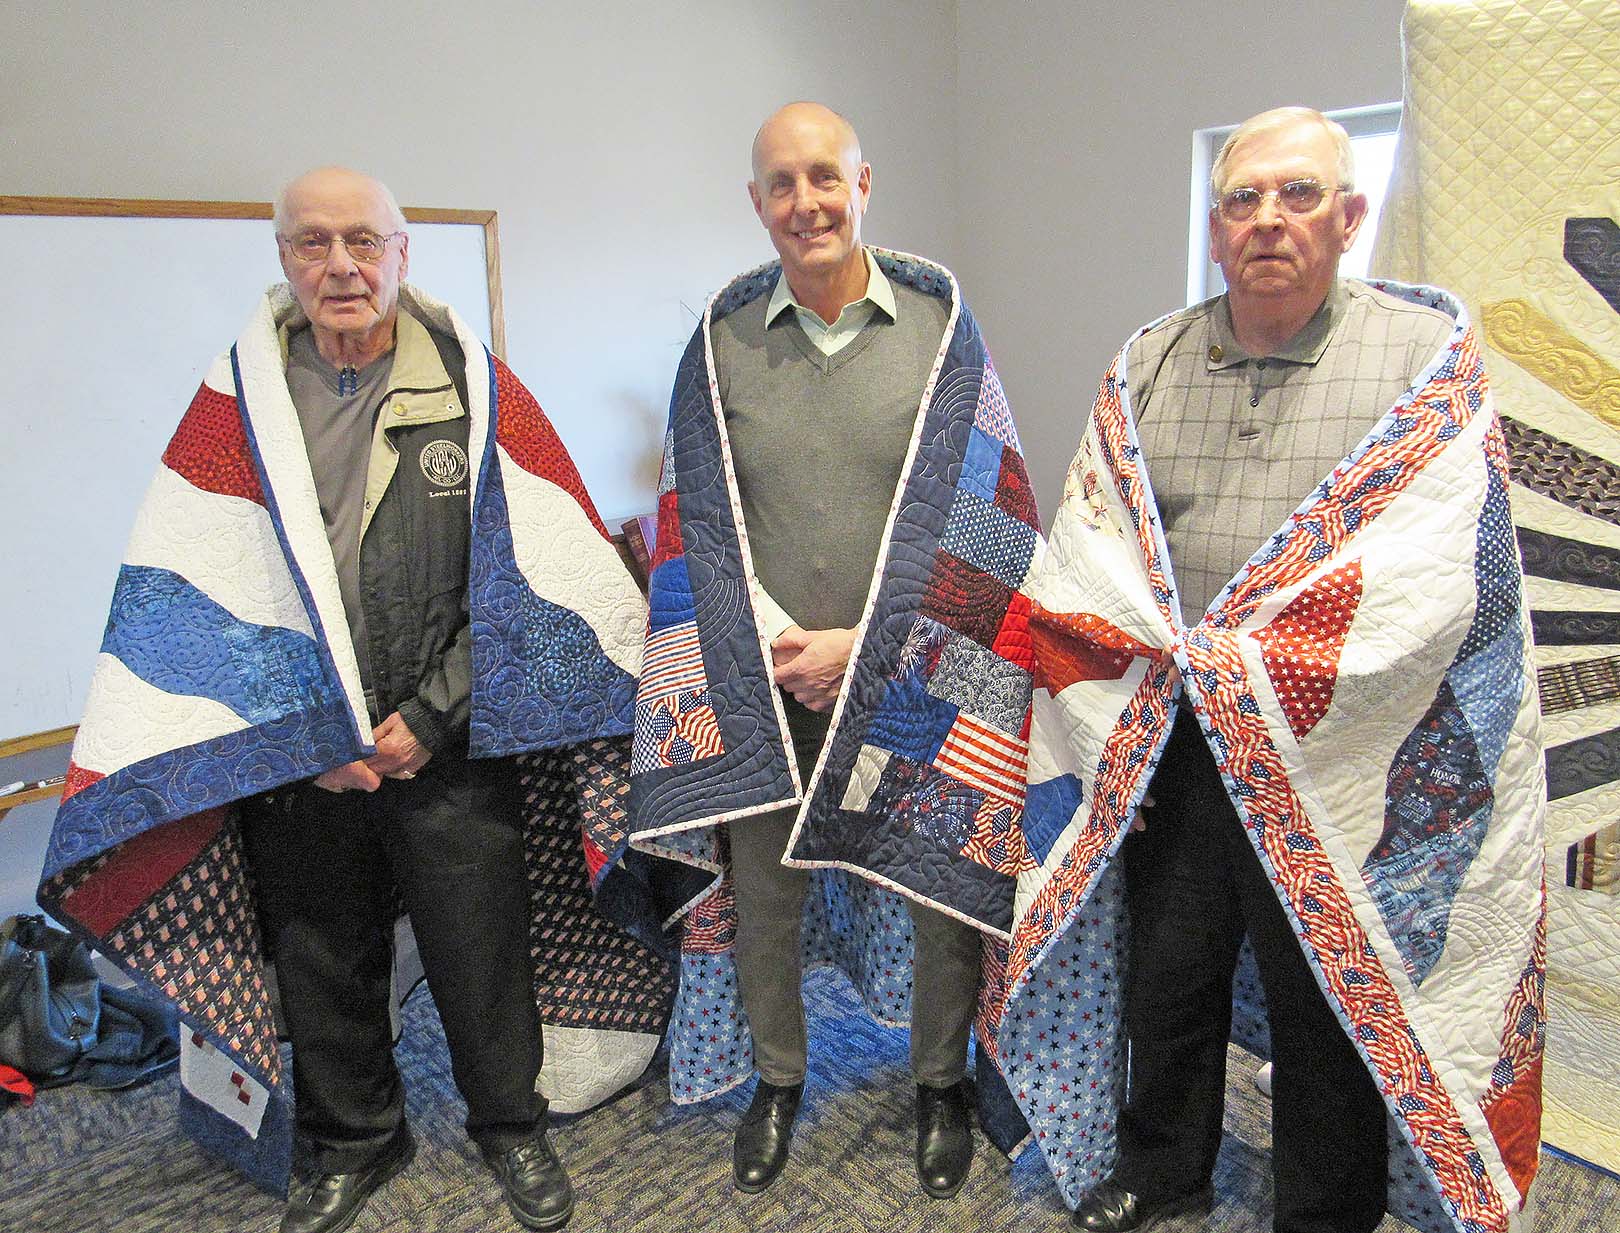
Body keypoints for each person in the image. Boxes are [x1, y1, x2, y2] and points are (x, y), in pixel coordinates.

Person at [44, 166, 646, 1233]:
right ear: (282, 259)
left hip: (446, 747)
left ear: (403, 254)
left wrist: (429, 719)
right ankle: (356, 1137)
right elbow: (201, 591)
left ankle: (509, 1126)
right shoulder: (237, 410)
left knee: (481, 951)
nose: (340, 266)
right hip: (301, 757)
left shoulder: (477, 391)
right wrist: (310, 732)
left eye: (363, 242)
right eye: (312, 244)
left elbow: (533, 581)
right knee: (322, 956)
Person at [1017, 108, 1545, 1233]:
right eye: (1244, 197)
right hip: (1175, 736)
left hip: (1339, 757)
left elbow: (1446, 565)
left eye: (1300, 195)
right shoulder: (1150, 359)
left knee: (1325, 1000)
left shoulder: (1417, 362)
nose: (1269, 219)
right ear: (1215, 226)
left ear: (1350, 218)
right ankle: (1161, 1174)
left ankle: (1324, 1211)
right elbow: (1098, 537)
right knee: (1169, 972)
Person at [630, 103, 1044, 1200]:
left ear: (866, 183)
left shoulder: (941, 334)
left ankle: (939, 1084)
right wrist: (781, 644)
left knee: (936, 883)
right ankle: (776, 1079)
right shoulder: (718, 349)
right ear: (756, 203)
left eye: (825, 177)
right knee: (763, 892)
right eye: (781, 183)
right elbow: (695, 518)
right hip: (769, 679)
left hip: (914, 672)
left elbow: (990, 518)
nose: (805, 201)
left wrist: (864, 646)